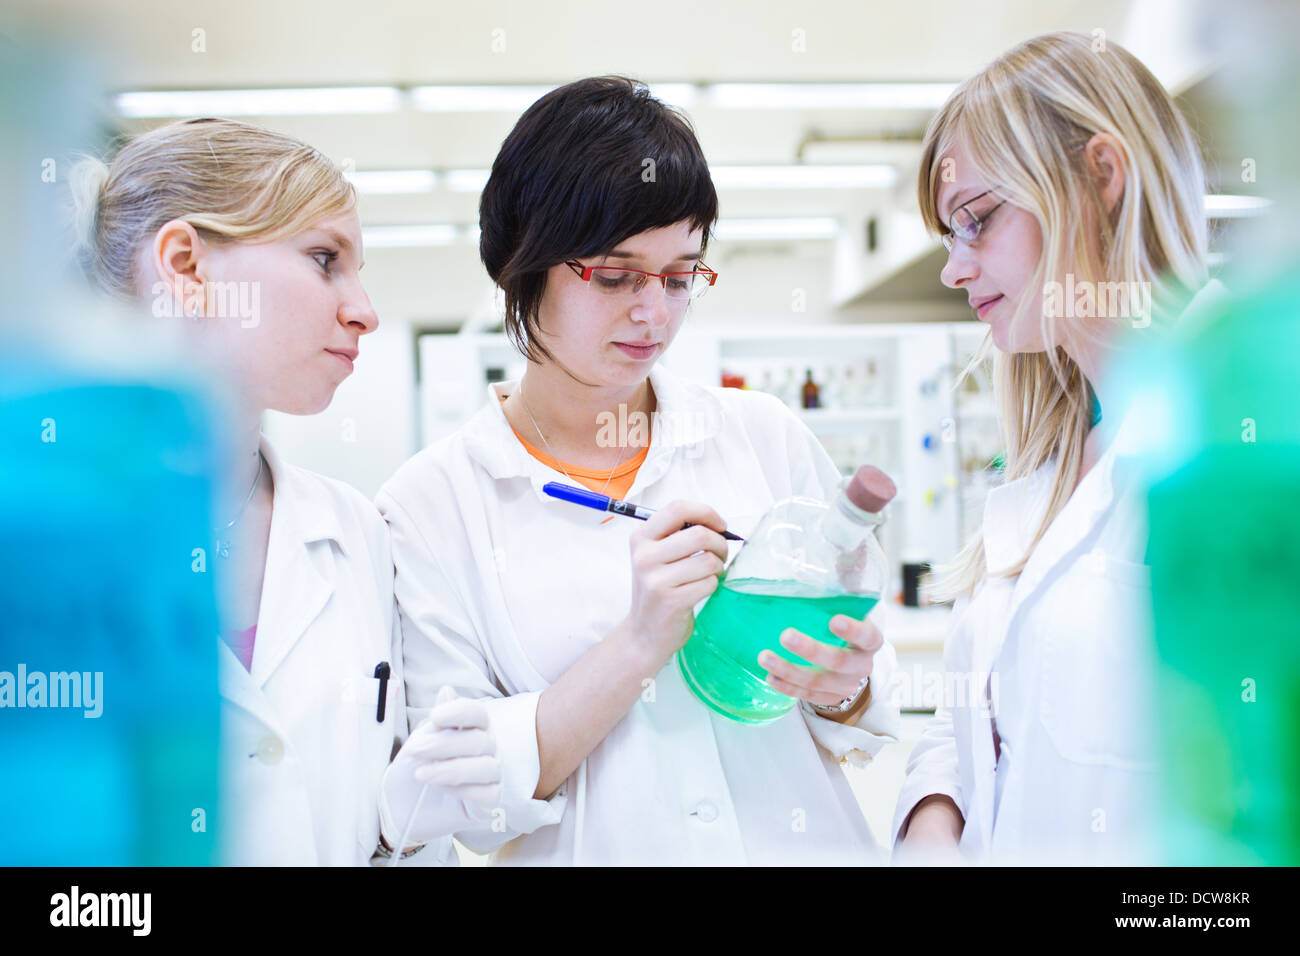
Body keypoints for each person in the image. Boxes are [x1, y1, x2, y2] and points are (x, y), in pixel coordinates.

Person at [377, 76, 901, 866]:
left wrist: (844, 682)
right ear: (520, 266)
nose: (654, 312)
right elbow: (465, 807)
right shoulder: (430, 505)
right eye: (616, 276)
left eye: (681, 276)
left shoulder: (761, 436)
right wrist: (636, 645)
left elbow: (861, 693)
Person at [70, 118, 493, 865]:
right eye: (325, 259)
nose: (364, 309)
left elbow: (405, 825)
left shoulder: (354, 530)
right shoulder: (42, 538)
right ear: (185, 266)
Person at [891, 32, 1225, 865]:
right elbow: (989, 724)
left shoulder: (1239, 434)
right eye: (947, 236)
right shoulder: (1055, 456)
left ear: (1101, 177)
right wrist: (933, 820)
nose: (954, 270)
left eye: (977, 221)